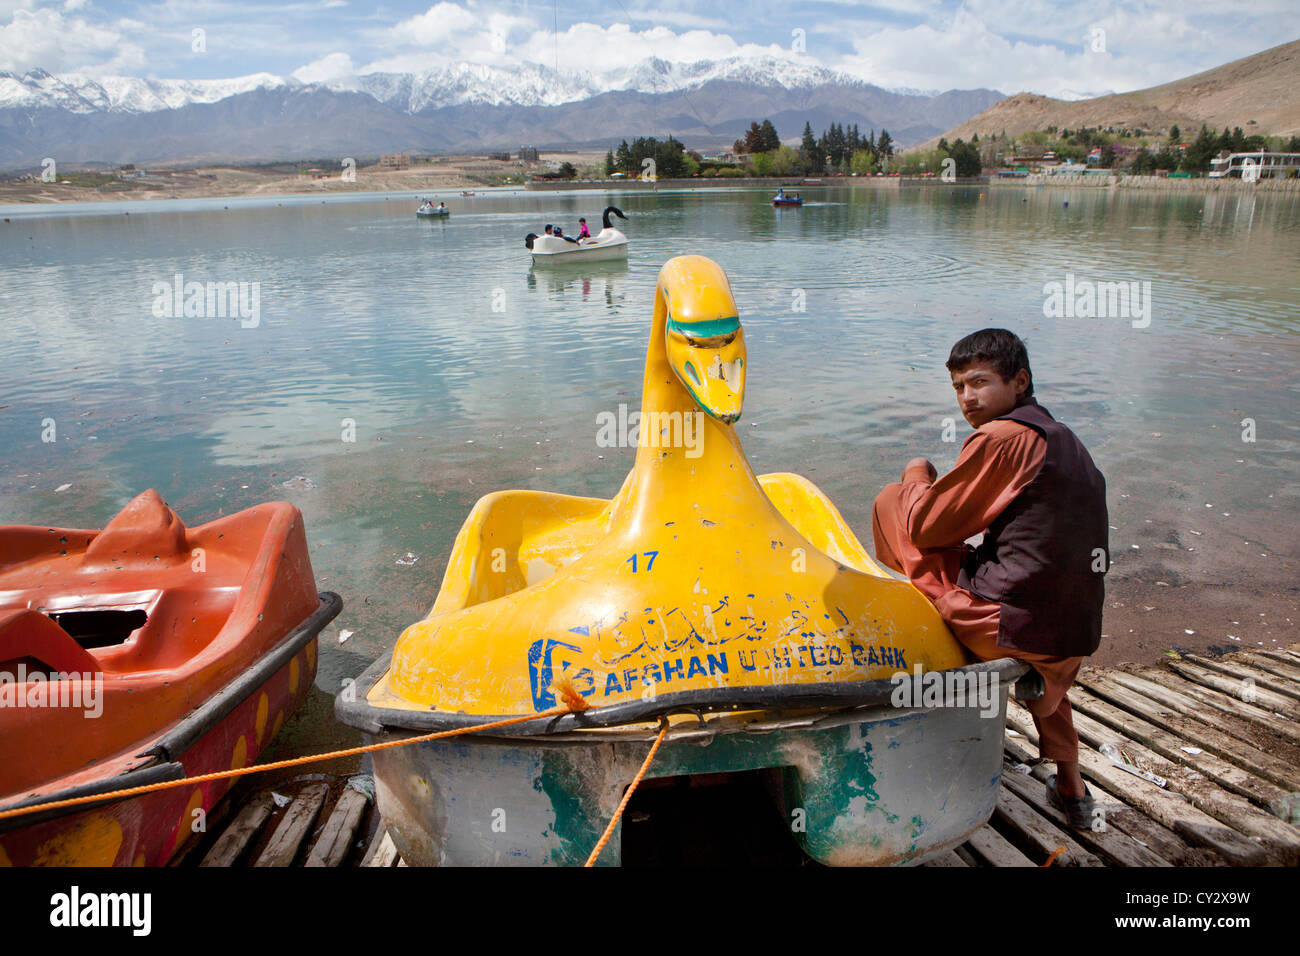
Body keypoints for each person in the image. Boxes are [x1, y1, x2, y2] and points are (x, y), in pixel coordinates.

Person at [870, 328, 1109, 829]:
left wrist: (918, 476)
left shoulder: (1003, 437)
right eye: (958, 387)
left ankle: (915, 633)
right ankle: (1071, 784)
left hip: (1004, 626)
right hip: (1069, 638)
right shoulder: (1065, 439)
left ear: (1019, 381)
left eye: (979, 382)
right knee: (1029, 599)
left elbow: (926, 526)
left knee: (894, 501)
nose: (967, 398)